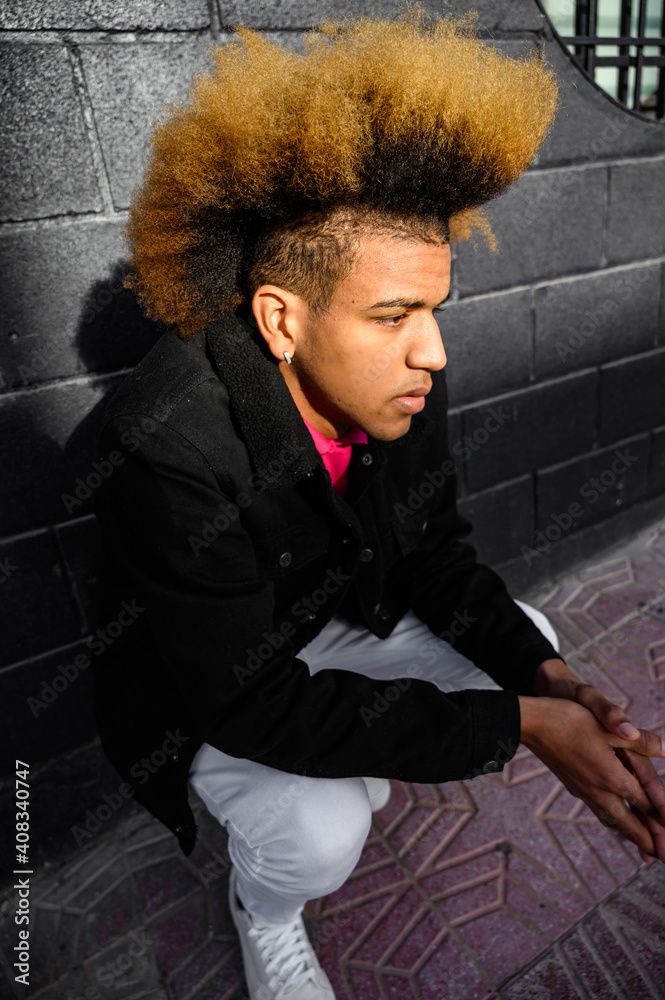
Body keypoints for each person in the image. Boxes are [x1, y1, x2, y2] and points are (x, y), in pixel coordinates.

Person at [91, 11, 665, 999]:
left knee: (521, 628)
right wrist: (514, 726)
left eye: (432, 309)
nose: (431, 352)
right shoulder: (167, 445)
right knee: (321, 832)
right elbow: (243, 697)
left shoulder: (399, 378)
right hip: (218, 681)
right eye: (393, 316)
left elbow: (435, 556)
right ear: (281, 317)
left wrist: (551, 684)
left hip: (340, 619)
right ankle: (259, 910)